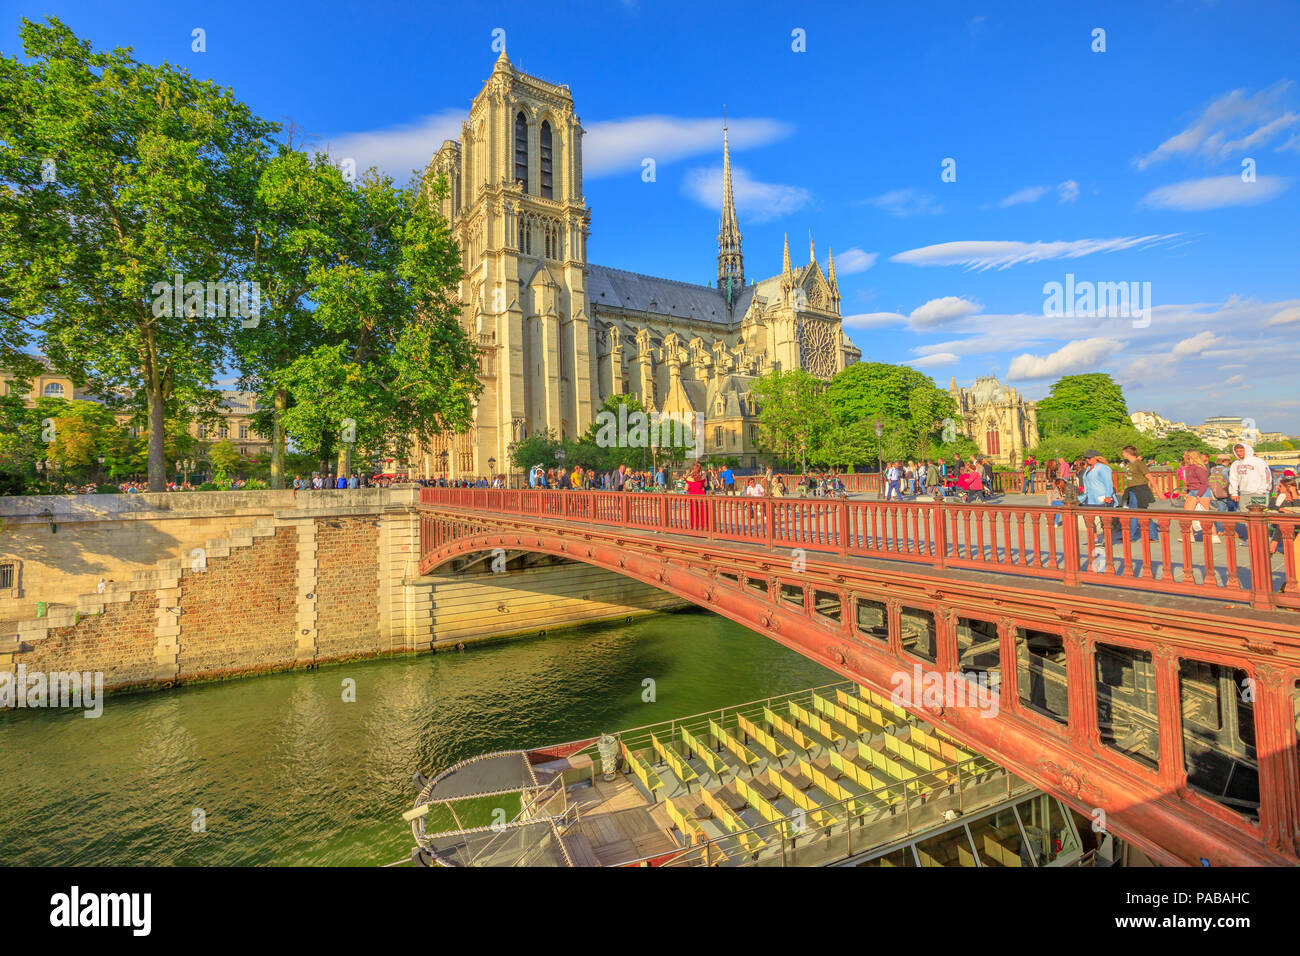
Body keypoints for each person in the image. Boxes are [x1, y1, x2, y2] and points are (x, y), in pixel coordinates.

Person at [1120, 445, 1159, 542]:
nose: (1123, 454)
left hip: (1139, 490)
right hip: (1132, 489)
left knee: (1135, 512)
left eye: (1124, 452)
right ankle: (1153, 536)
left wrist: (1158, 490)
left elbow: (1149, 476)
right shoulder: (1130, 463)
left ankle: (1130, 537)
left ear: (1128, 453)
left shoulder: (1139, 463)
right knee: (1141, 513)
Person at [1079, 450, 1115, 549]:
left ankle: (1106, 540)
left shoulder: (1103, 468)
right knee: (1088, 519)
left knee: (1104, 520)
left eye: (1089, 458)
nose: (1087, 460)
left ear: (1096, 457)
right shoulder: (1088, 468)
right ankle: (1094, 539)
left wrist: (1108, 496)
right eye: (1086, 458)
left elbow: (1108, 483)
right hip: (1089, 497)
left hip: (1101, 497)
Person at [685, 462, 707, 530]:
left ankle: (694, 527)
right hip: (701, 497)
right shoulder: (703, 477)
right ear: (699, 470)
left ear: (693, 470)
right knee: (702, 513)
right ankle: (703, 527)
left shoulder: (689, 478)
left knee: (693, 513)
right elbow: (705, 485)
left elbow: (685, 488)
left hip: (692, 497)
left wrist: (690, 488)